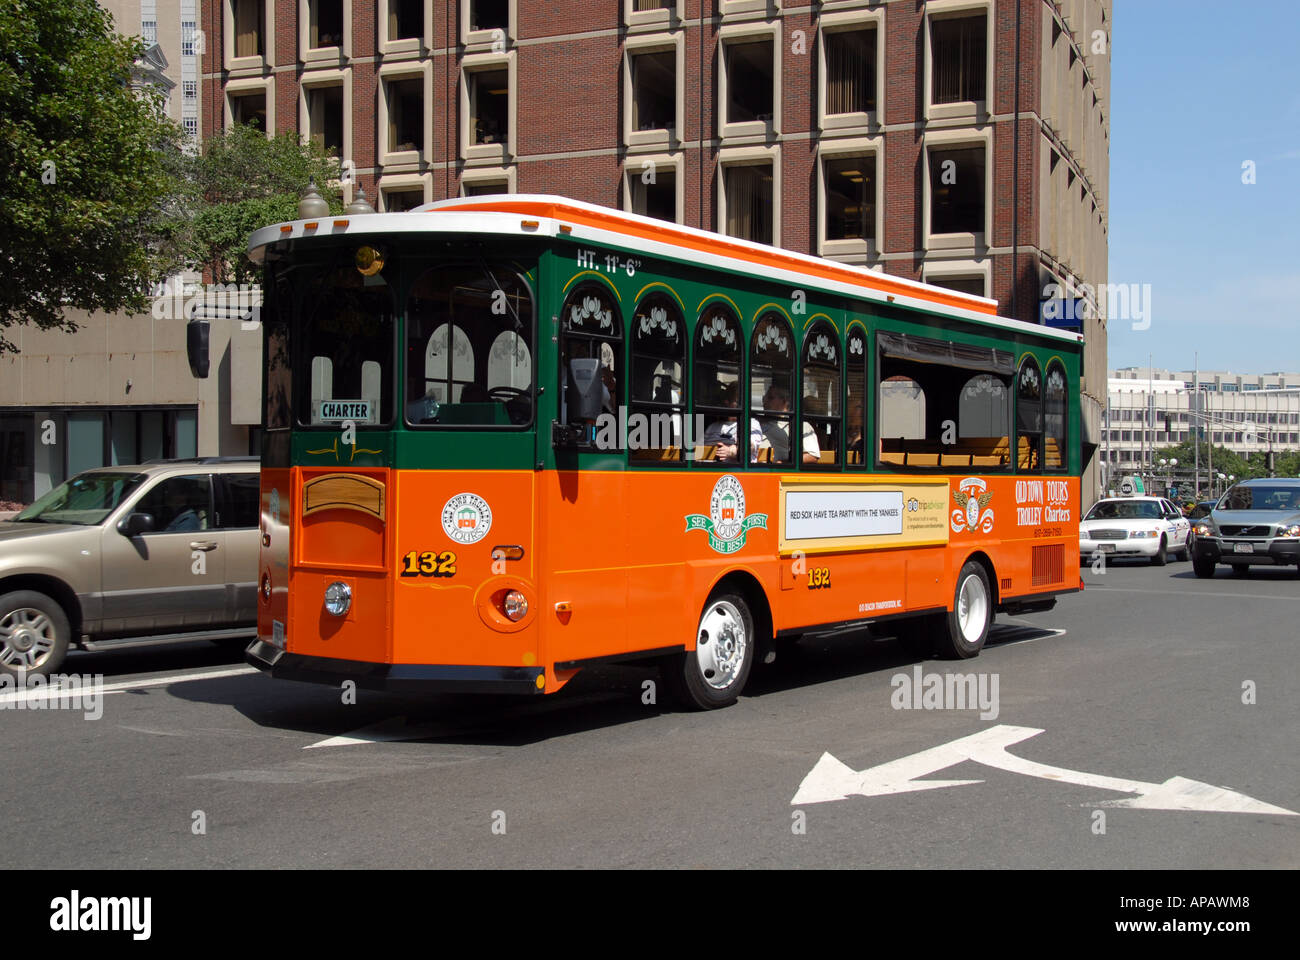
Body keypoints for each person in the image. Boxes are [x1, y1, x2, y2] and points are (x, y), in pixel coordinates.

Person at [752, 385, 820, 463]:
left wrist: (783, 463)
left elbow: (812, 456)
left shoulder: (801, 425)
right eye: (764, 398)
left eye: (770, 398)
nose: (764, 401)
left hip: (777, 471)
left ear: (784, 401)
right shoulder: (755, 422)